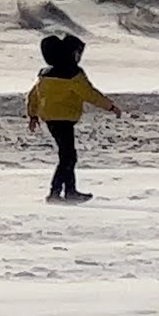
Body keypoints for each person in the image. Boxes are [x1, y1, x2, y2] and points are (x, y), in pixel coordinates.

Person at [26, 33, 121, 203]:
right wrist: (110, 106)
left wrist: (32, 115)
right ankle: (55, 193)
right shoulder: (73, 74)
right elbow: (90, 94)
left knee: (67, 155)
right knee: (68, 157)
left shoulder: (45, 74)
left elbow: (33, 95)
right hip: (64, 119)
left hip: (50, 118)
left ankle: (70, 191)